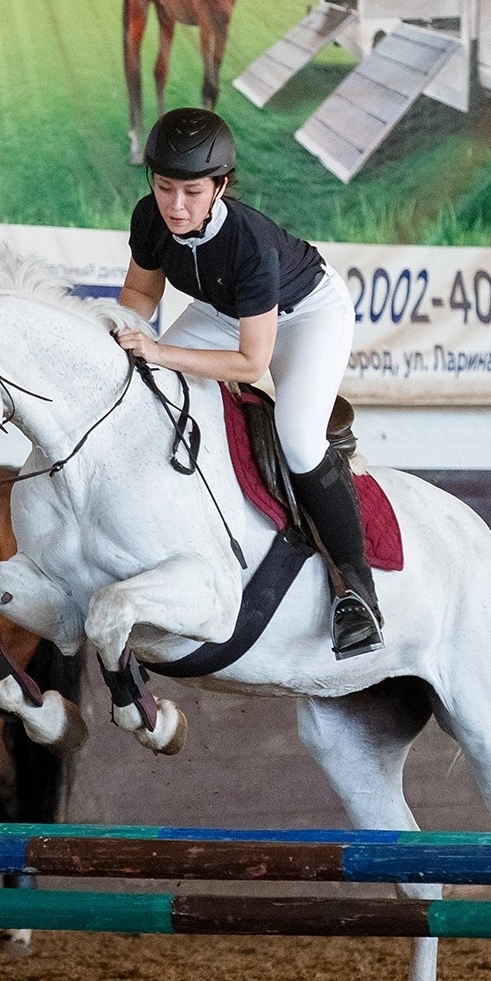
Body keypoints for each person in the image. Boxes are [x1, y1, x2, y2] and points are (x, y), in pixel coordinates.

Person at [115, 108, 381, 659]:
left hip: (306, 314)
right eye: (165, 188)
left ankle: (358, 594)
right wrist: (123, 334)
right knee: (151, 383)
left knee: (299, 437)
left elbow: (251, 363)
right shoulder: (150, 218)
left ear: (222, 187)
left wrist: (163, 349)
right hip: (224, 311)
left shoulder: (248, 241)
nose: (176, 205)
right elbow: (141, 296)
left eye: (192, 191)